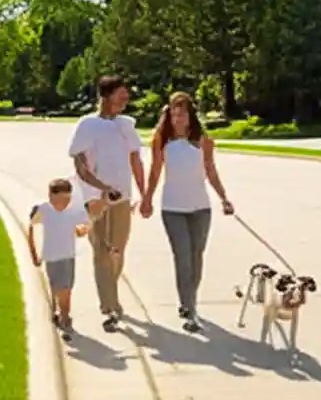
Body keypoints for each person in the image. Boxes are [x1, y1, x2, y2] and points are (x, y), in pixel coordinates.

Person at [140, 92, 235, 333]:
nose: (177, 117)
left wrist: (224, 198)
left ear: (190, 115)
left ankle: (188, 300)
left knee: (196, 257)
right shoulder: (162, 140)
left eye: (181, 112)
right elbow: (155, 171)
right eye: (173, 112)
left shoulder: (203, 140)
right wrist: (147, 198)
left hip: (200, 208)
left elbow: (211, 171)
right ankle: (189, 309)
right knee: (182, 258)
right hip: (173, 208)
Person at [69, 74, 145, 333]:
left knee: (118, 250)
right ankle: (110, 306)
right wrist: (102, 189)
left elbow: (136, 160)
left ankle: (110, 296)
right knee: (101, 251)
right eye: (120, 94)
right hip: (96, 200)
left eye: (126, 94)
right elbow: (79, 166)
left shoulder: (126, 125)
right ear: (105, 96)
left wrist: (144, 193)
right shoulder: (87, 125)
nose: (125, 99)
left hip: (123, 198)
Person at [27, 178, 105, 339]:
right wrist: (34, 254)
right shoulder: (44, 210)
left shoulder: (75, 211)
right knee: (56, 287)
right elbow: (31, 227)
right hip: (50, 256)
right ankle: (57, 311)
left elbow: (86, 224)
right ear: (50, 196)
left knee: (66, 289)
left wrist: (83, 229)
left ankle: (65, 317)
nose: (62, 203)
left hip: (67, 257)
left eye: (66, 199)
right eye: (58, 199)